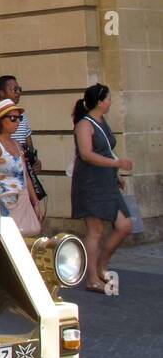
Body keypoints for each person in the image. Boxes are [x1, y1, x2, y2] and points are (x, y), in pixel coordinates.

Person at [70, 83, 133, 292]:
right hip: (90, 182)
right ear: (99, 101)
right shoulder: (84, 125)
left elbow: (106, 151)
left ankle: (101, 267)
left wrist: (115, 174)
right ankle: (91, 279)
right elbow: (87, 154)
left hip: (106, 180)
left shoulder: (102, 121)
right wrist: (117, 164)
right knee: (95, 230)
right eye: (108, 98)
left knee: (124, 226)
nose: (111, 101)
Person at [0, 99, 42, 237]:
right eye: (13, 118)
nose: (17, 122)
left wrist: (35, 201)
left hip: (22, 200)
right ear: (0, 121)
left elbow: (25, 175)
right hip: (4, 204)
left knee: (28, 237)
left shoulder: (17, 144)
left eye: (19, 118)